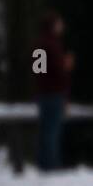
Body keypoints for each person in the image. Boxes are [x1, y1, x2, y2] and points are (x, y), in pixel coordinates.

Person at [35, 11, 74, 171]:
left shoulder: (39, 44)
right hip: (54, 93)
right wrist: (66, 65)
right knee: (52, 132)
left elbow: (38, 71)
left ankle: (44, 163)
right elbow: (57, 71)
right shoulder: (52, 45)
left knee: (45, 130)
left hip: (44, 93)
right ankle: (51, 165)